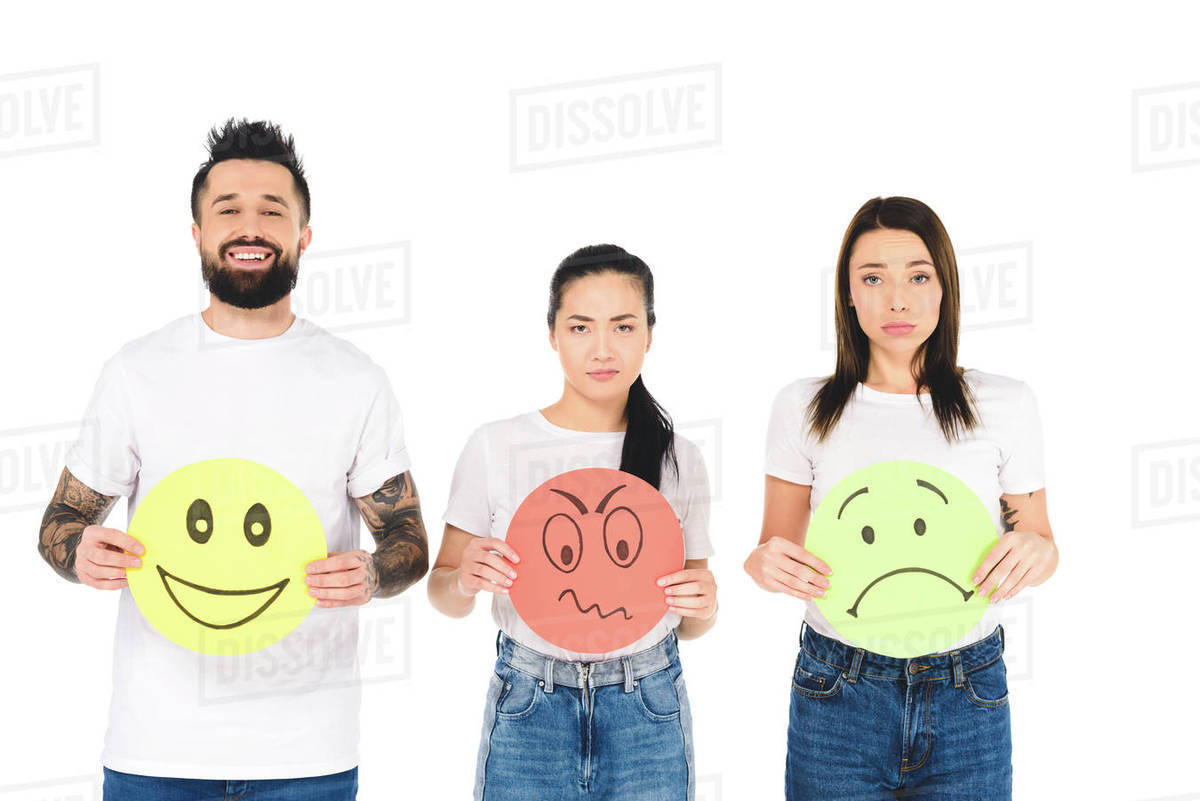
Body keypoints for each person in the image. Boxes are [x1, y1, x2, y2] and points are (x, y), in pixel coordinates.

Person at [36, 118, 429, 799]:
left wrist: (372, 573)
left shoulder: (355, 379)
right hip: (154, 752)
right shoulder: (136, 371)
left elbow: (409, 537)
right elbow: (60, 524)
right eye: (228, 210)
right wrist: (79, 552)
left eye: (272, 212)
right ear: (197, 234)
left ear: (304, 237)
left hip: (308, 758)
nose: (251, 228)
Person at [744, 196, 1057, 800]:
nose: (897, 299)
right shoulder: (801, 408)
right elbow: (772, 550)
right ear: (848, 294)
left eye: (918, 276)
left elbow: (1041, 541)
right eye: (873, 278)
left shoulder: (1006, 404)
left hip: (968, 687)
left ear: (945, 288)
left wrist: (1036, 553)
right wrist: (763, 565)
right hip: (838, 686)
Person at [428, 244, 718, 801]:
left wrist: (705, 603)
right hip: (530, 703)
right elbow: (443, 592)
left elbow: (693, 621)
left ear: (650, 336)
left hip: (647, 705)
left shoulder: (680, 457)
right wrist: (464, 577)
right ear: (553, 334)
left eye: (624, 326)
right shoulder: (496, 445)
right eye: (581, 327)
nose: (603, 348)